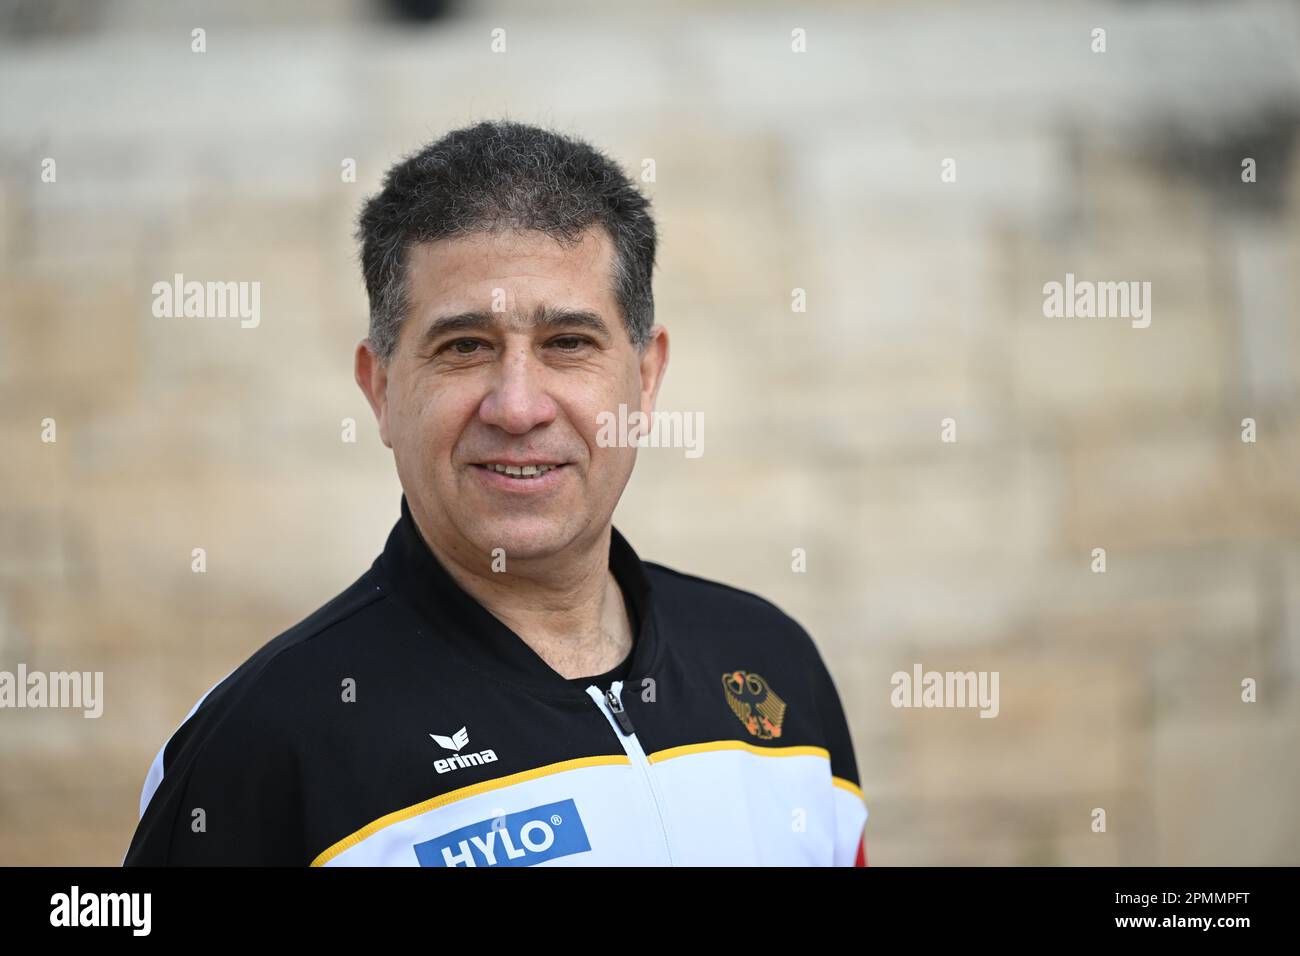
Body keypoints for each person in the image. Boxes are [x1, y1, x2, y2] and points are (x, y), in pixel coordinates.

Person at [123, 120, 868, 866]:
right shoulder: (261, 743)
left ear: (644, 380)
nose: (517, 408)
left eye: (568, 344)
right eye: (464, 347)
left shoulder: (773, 666)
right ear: (380, 389)